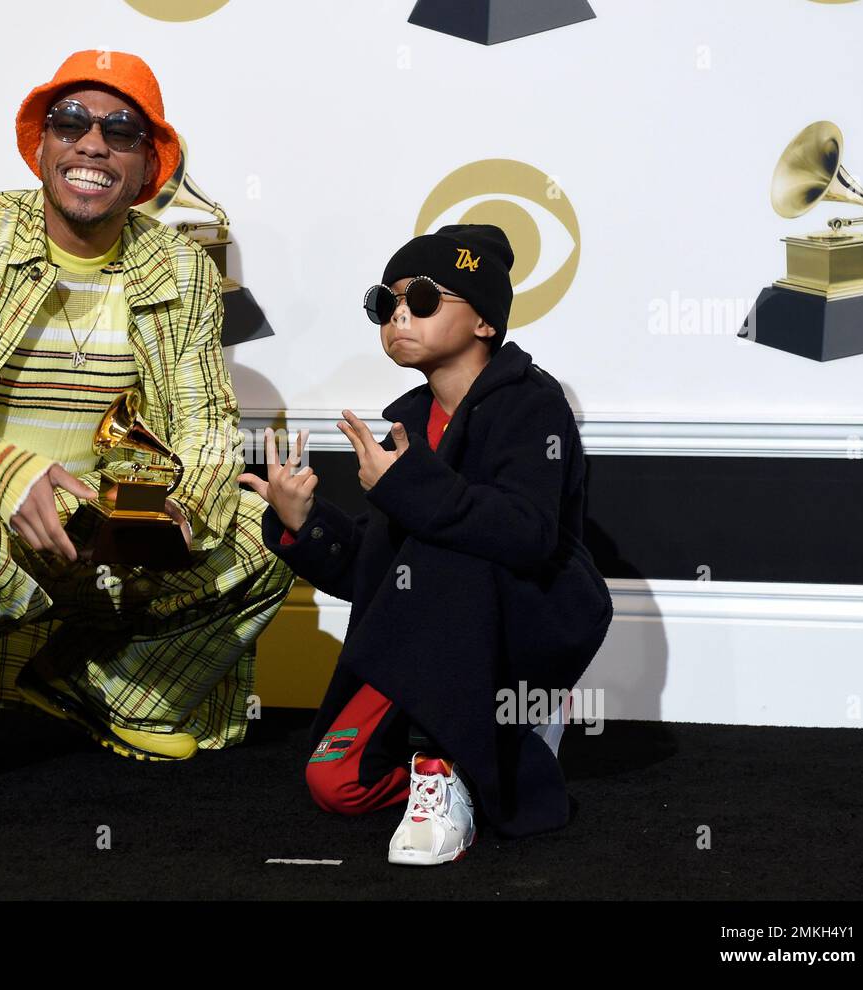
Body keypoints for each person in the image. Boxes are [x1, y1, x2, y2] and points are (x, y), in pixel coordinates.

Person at [0, 49, 294, 804]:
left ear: (149, 167)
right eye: (71, 122)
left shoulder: (179, 269)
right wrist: (2, 471)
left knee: (269, 531)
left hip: (96, 527)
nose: (92, 143)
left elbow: (206, 417)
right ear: (40, 146)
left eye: (120, 131)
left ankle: (100, 684)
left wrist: (185, 503)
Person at [240, 224, 612, 864]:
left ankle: (448, 761)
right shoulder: (407, 419)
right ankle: (485, 749)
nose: (398, 317)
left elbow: (527, 534)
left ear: (486, 323)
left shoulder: (533, 403)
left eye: (423, 300)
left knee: (449, 547)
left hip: (536, 606)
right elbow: (381, 574)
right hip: (434, 631)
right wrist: (306, 522)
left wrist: (409, 487)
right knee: (334, 782)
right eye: (385, 304)